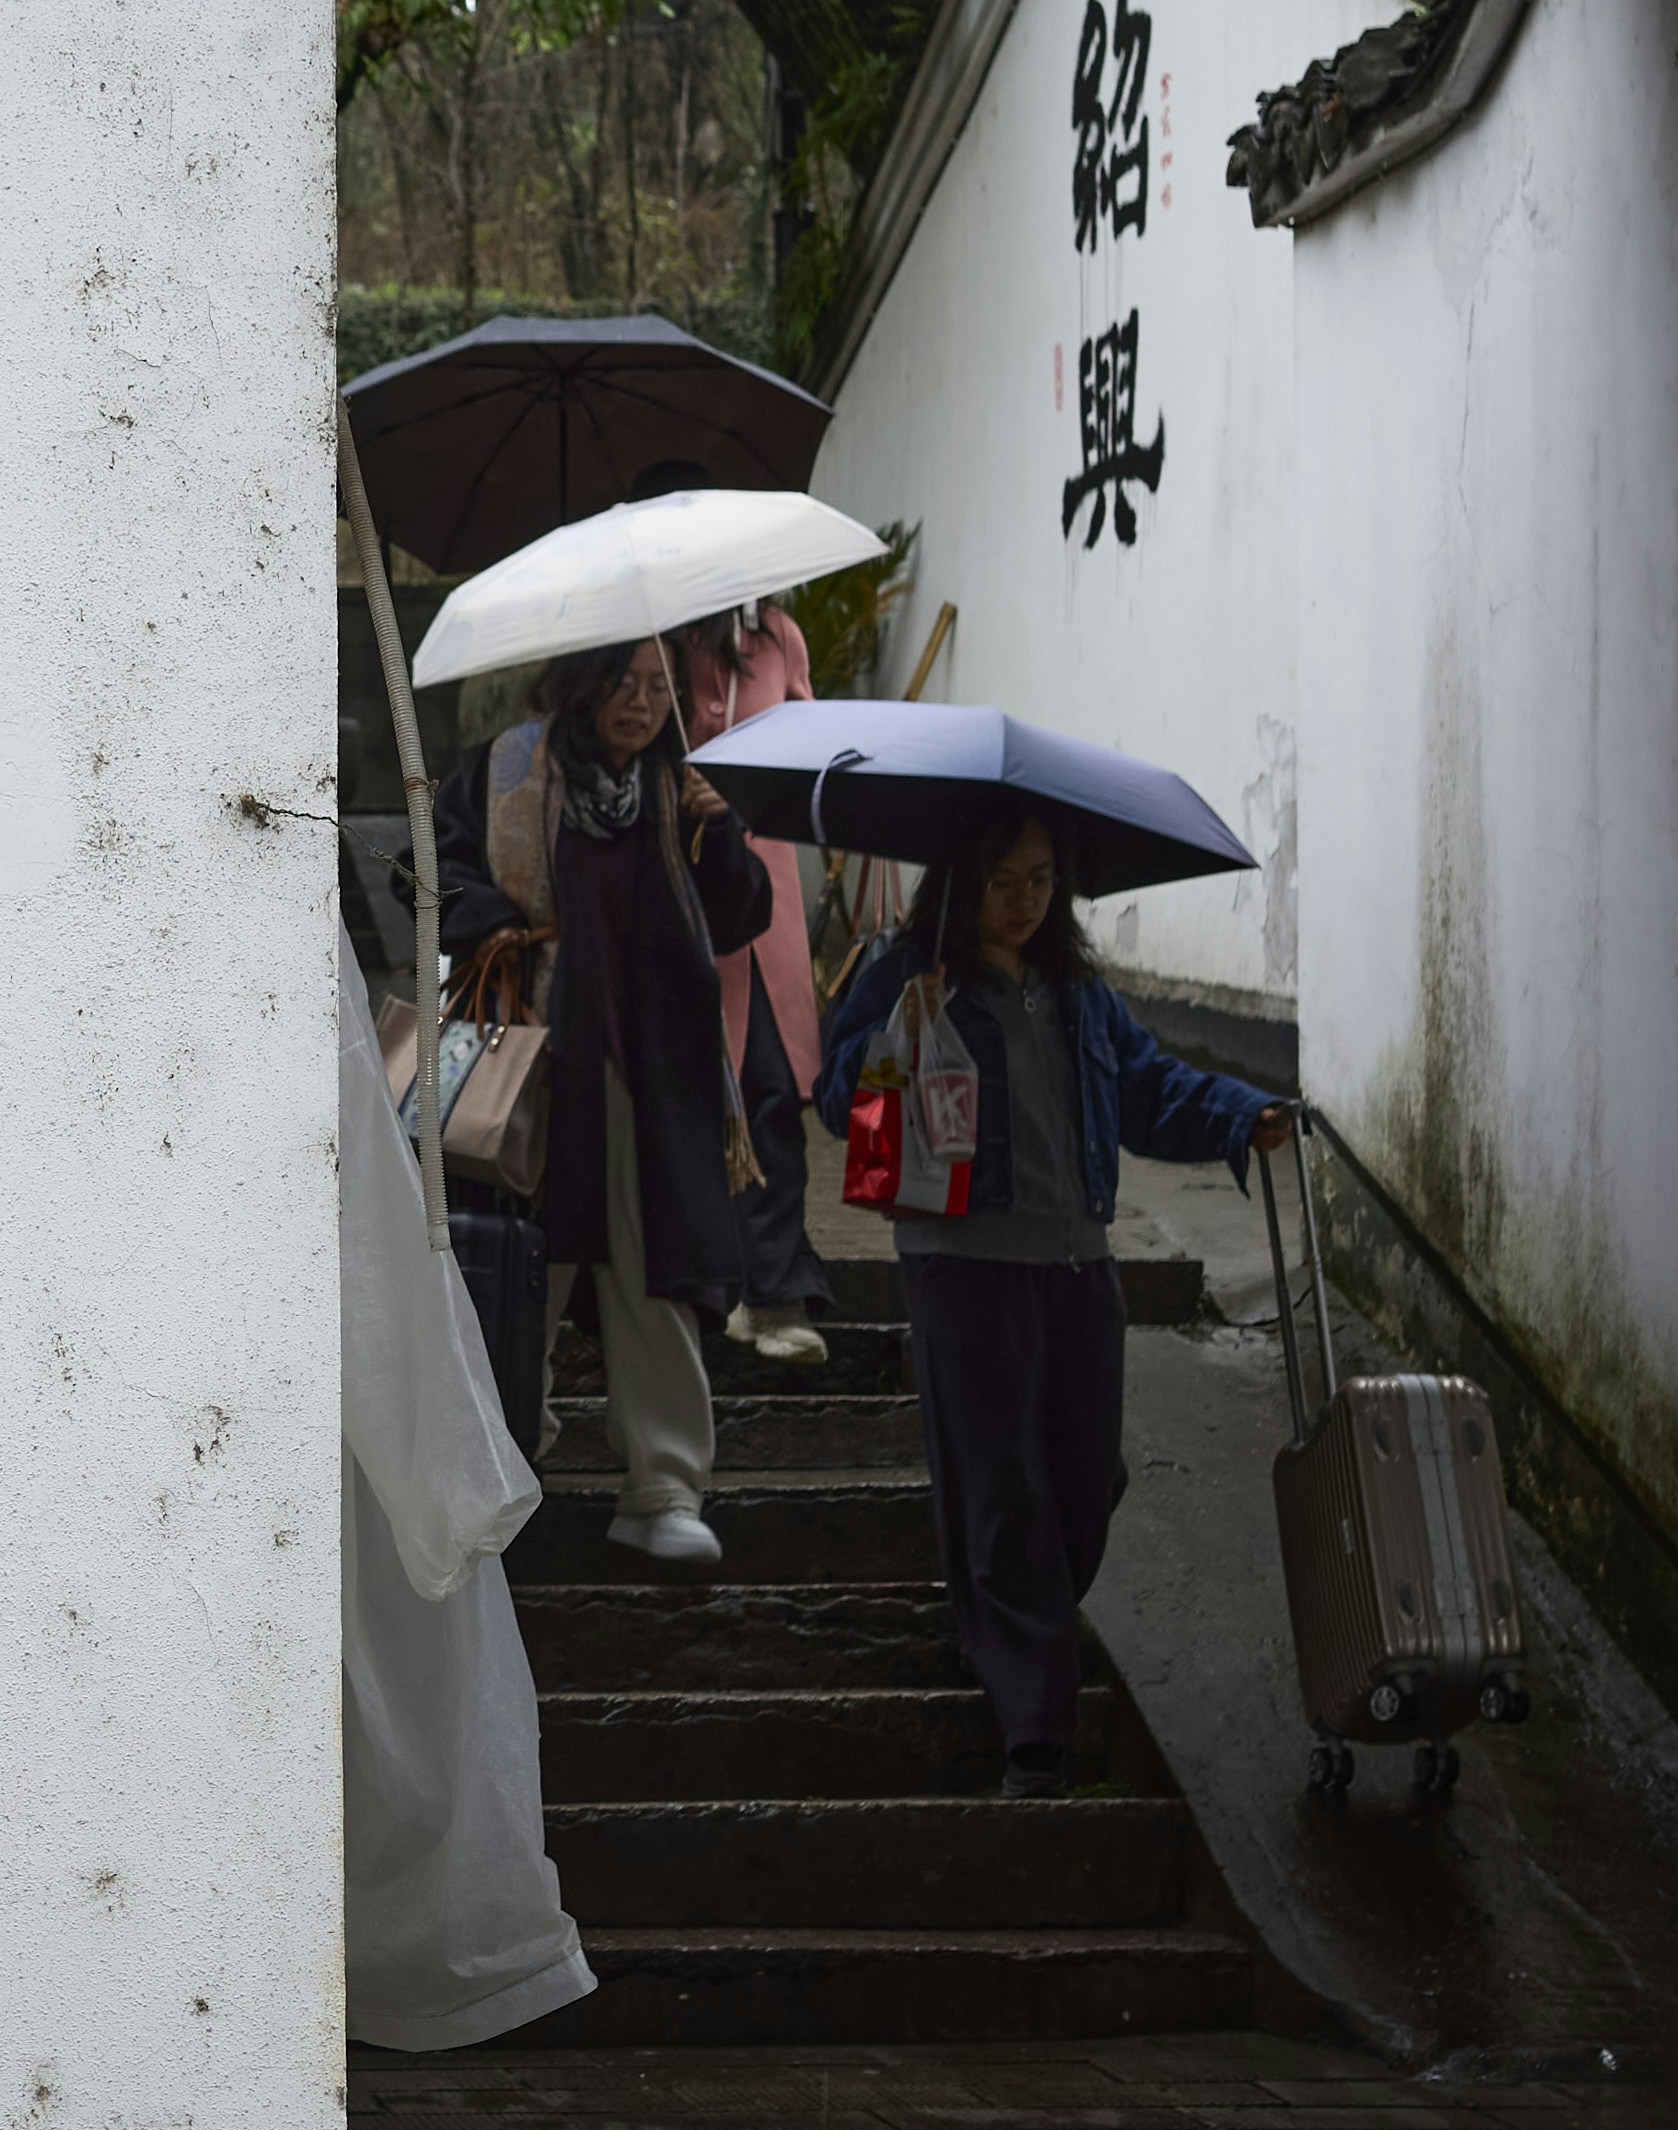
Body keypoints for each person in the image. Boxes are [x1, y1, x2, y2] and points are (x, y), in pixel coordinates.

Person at [811, 790, 1282, 1796]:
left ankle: (999, 1629)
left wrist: (1245, 1112)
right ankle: (1036, 1727)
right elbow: (836, 1097)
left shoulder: (1078, 994)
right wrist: (898, 1032)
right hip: (965, 1267)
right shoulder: (911, 971)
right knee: (1005, 1490)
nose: (1022, 899)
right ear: (962, 882)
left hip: (1079, 1268)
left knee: (1082, 1479)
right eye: (1000, 879)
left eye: (1039, 879)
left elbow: (1152, 1087)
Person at [500, 629, 781, 1567]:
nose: (641, 700)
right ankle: (498, 1469)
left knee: (652, 1273)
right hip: (537, 1071)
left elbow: (741, 915)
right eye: (623, 681)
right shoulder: (517, 771)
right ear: (581, 684)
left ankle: (661, 1486)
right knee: (513, 1273)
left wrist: (720, 832)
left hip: (649, 1081)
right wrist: (503, 929)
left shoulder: (674, 791)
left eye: (656, 685)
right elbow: (451, 878)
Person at [665, 591, 835, 1367]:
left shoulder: (777, 636)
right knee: (681, 1099)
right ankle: (698, 1293)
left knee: (766, 1087)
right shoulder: (644, 639)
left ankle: (772, 1295)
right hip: (669, 895)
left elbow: (808, 747)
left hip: (763, 897)